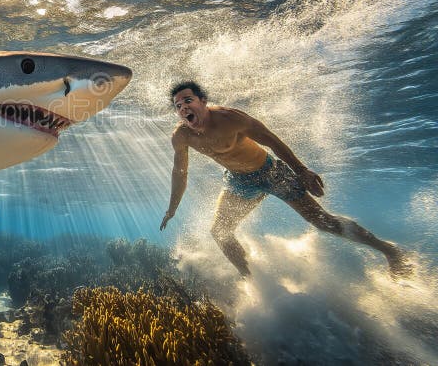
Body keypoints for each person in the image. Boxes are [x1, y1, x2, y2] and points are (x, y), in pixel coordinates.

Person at [159, 81, 411, 278]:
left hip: (271, 172)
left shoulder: (231, 118)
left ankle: (390, 251)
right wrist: (172, 209)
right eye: (178, 106)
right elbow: (180, 172)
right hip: (238, 181)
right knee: (220, 232)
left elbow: (271, 140)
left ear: (203, 101)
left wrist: (302, 171)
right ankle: (251, 281)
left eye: (188, 101)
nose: (183, 109)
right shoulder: (181, 136)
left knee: (323, 222)